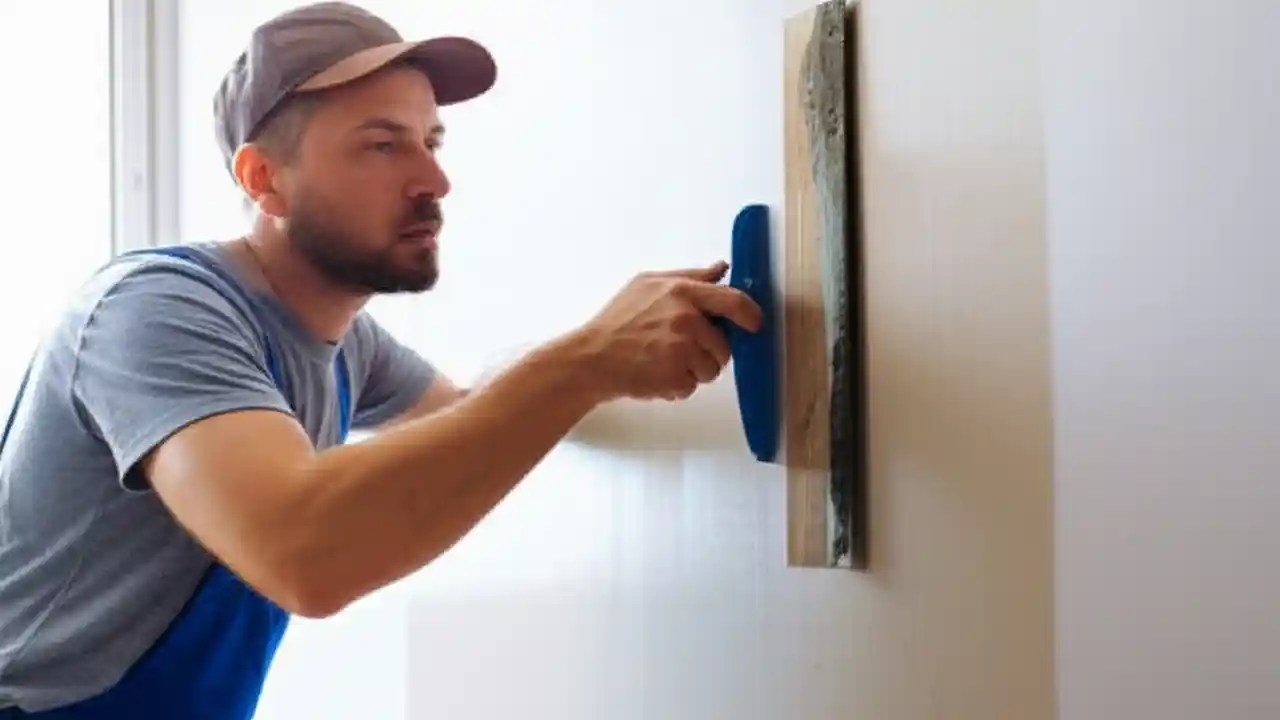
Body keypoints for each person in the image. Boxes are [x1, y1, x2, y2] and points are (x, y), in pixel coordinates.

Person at [0, 2, 761, 717]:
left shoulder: (343, 344)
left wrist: (615, 344)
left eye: (431, 142)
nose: (435, 181)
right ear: (264, 180)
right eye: (382, 144)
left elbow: (469, 419)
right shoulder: (157, 311)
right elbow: (302, 550)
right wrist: (585, 361)